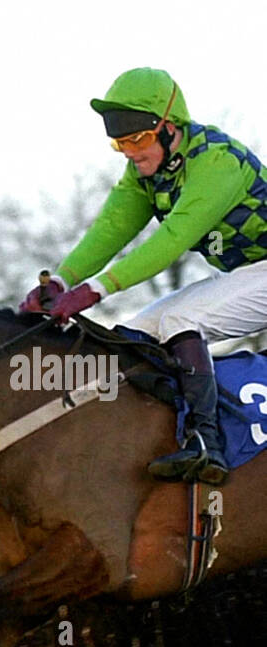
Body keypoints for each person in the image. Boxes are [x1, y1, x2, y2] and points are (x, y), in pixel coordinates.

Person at [19, 67, 267, 485]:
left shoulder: (218, 161)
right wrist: (60, 281)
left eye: (138, 139)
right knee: (137, 333)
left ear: (170, 129)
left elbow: (171, 240)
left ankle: (206, 444)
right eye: (120, 142)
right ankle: (159, 439)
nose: (131, 153)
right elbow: (110, 230)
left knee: (179, 320)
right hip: (251, 272)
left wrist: (94, 290)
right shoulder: (146, 176)